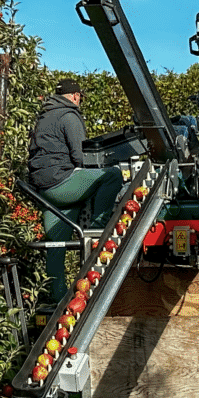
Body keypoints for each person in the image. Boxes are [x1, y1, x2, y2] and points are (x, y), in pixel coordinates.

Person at [27, 77, 124, 301]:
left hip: (45, 190)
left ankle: (57, 301)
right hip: (62, 184)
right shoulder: (69, 115)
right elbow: (81, 157)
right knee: (112, 175)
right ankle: (98, 229)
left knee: (55, 245)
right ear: (75, 96)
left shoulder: (45, 116)